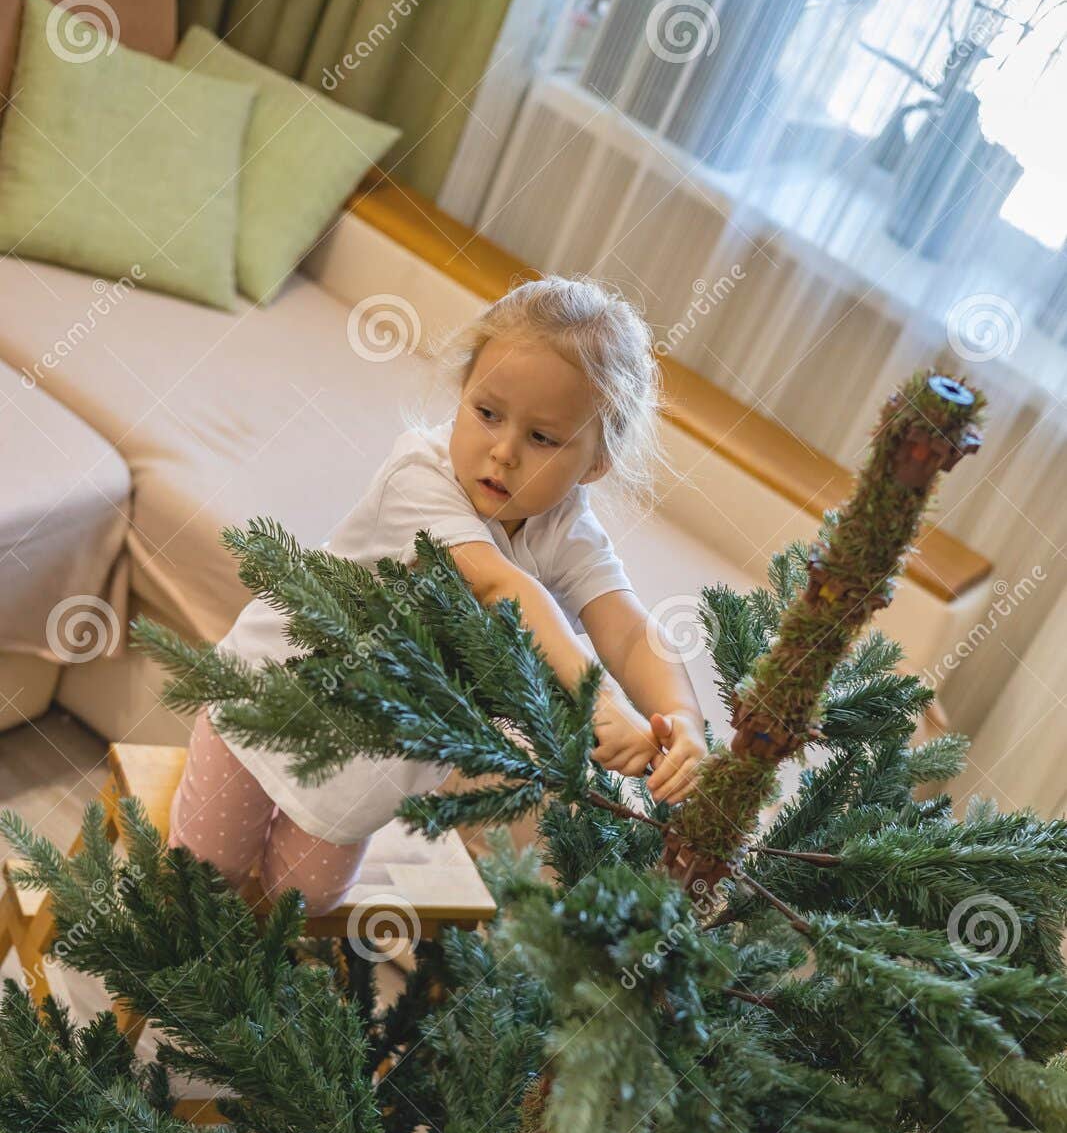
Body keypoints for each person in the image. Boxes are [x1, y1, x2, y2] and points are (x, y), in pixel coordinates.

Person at [168, 275, 707, 916]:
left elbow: (625, 626)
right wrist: (601, 702)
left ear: (596, 461)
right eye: (487, 414)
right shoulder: (418, 478)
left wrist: (685, 728)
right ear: (462, 395)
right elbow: (499, 585)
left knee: (303, 900)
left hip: (372, 762)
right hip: (270, 697)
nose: (502, 452)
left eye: (542, 438)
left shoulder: (569, 530)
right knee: (204, 874)